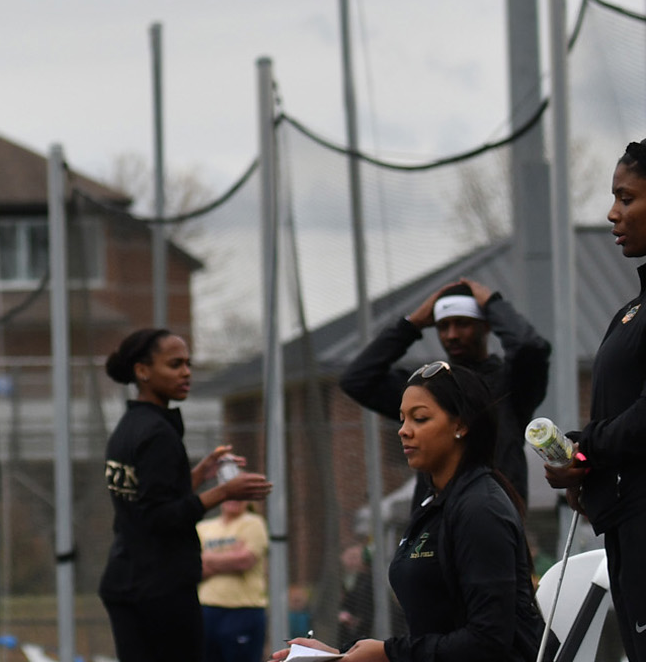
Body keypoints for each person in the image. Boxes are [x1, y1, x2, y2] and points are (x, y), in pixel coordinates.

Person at [277, 364, 541, 662]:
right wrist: (342, 655)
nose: (403, 430)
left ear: (461, 425)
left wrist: (387, 654)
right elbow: (433, 636)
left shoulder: (481, 509)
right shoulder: (434, 503)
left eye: (420, 418)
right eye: (402, 419)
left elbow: (488, 641)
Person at [99, 329, 273, 662]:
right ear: (142, 371)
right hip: (159, 589)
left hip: (127, 580)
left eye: (188, 364)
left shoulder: (130, 426)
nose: (186, 373)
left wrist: (198, 475)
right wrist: (224, 491)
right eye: (175, 364)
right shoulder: (157, 433)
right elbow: (157, 518)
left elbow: (147, 499)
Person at [544, 139, 646, 662]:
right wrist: (586, 468)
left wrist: (587, 451)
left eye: (626, 198)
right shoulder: (632, 309)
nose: (612, 213)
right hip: (625, 528)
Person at [339, 277, 550, 505]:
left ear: (486, 324)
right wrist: (412, 324)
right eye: (443, 326)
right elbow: (357, 380)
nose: (452, 334)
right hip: (435, 519)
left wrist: (493, 304)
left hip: (492, 514)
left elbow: (530, 348)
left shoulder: (511, 385)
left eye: (462, 323)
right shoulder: (429, 386)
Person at [195, 499, 268, 662]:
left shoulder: (254, 523)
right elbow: (193, 567)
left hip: (244, 610)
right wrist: (230, 557)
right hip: (207, 610)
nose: (233, 500)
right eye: (229, 493)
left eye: (239, 495)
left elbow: (245, 561)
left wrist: (206, 558)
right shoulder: (203, 528)